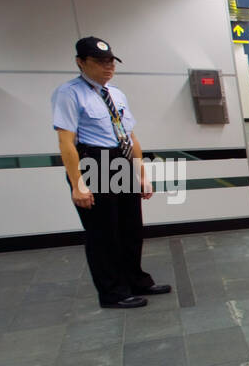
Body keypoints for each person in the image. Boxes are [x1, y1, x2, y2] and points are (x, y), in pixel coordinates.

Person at [51, 36, 170, 308]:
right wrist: (77, 184)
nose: (108, 67)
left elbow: (131, 136)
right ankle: (113, 293)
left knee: (131, 229)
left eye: (110, 62)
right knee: (103, 234)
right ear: (80, 62)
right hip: (94, 164)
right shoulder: (69, 93)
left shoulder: (116, 94)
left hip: (122, 161)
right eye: (100, 62)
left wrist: (141, 174)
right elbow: (65, 142)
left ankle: (136, 280)